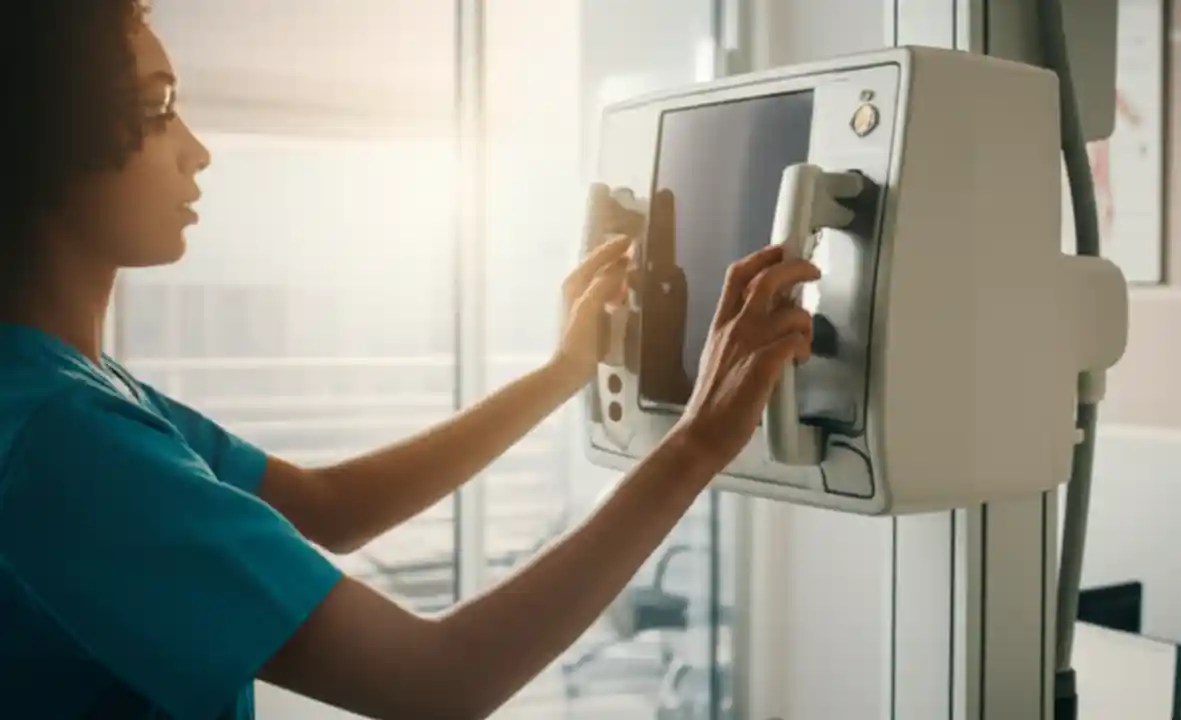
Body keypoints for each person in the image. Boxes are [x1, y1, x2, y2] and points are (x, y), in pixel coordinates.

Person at [0, 3, 817, 719]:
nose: (196, 150)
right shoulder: (62, 437)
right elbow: (438, 683)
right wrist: (699, 442)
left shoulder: (71, 386)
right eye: (158, 108)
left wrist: (564, 369)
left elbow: (336, 508)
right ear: (46, 136)